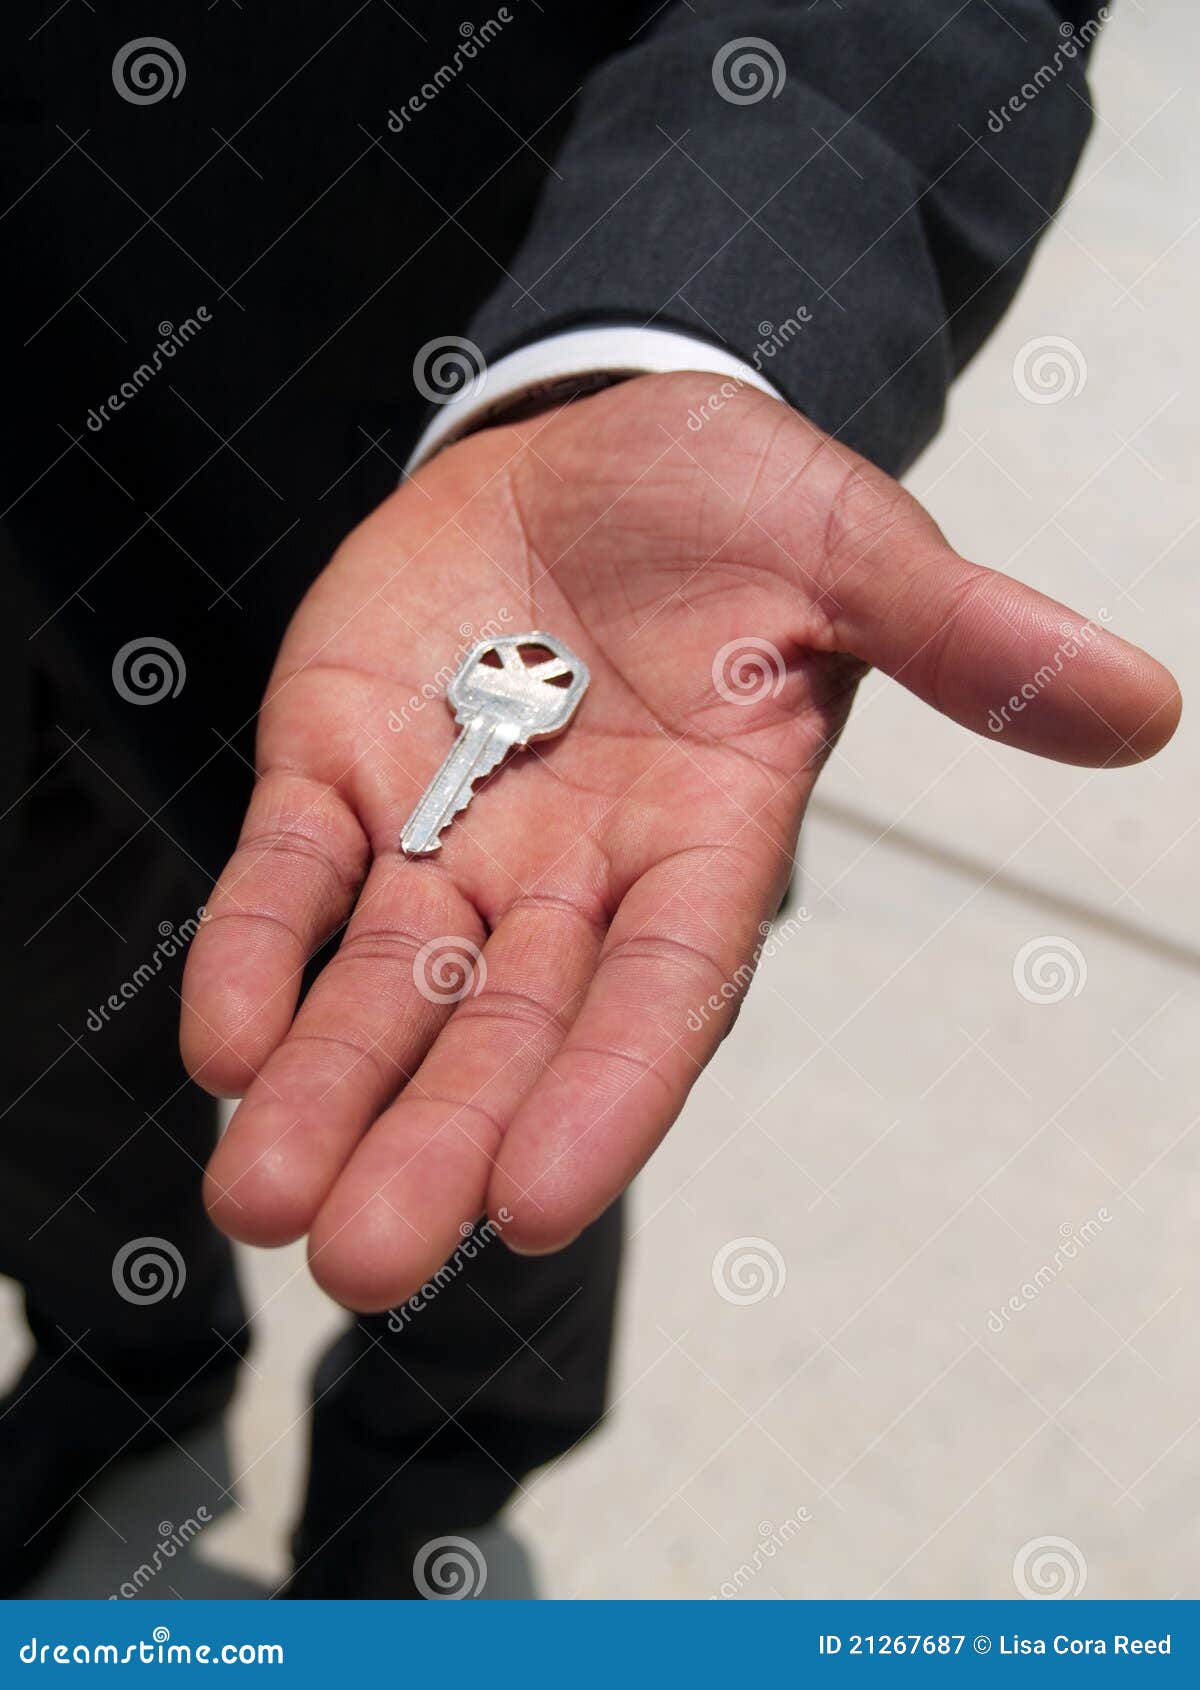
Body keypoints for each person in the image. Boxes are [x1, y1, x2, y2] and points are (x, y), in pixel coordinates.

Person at [0, 2, 1179, 1597]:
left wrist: (665, 335)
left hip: (423, 426)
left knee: (480, 1065)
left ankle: (416, 1493)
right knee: (38, 1005)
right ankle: (119, 1349)